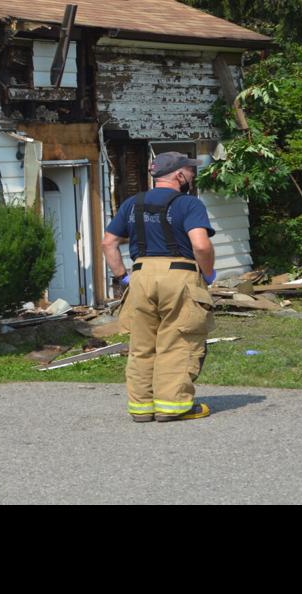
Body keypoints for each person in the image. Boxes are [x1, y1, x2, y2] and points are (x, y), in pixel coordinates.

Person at [100, 152, 219, 423]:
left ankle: (141, 407)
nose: (192, 175)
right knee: (178, 341)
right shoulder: (189, 204)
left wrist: (123, 278)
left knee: (141, 345)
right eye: (190, 171)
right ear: (179, 175)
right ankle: (172, 406)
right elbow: (201, 245)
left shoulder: (132, 203)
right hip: (179, 275)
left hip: (140, 275)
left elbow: (108, 243)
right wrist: (208, 273)